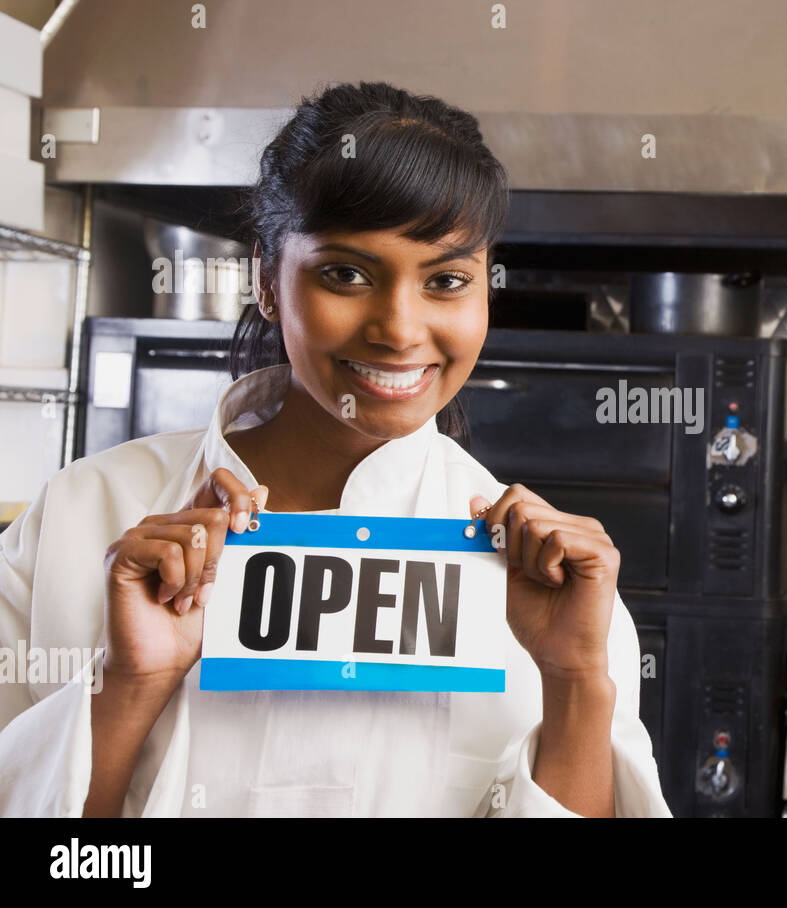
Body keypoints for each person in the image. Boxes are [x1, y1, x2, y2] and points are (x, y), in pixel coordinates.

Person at [0, 82, 670, 818]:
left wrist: (575, 676)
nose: (399, 329)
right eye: (346, 273)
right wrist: (128, 683)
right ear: (265, 279)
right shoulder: (79, 519)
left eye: (446, 281)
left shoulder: (548, 593)